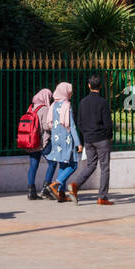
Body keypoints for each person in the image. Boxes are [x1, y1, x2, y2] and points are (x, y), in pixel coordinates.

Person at [68, 73, 114, 205]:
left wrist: (86, 135)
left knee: (91, 165)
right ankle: (102, 197)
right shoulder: (103, 102)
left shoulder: (82, 102)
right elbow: (108, 123)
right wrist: (109, 136)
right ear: (100, 86)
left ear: (89, 86)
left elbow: (80, 122)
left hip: (88, 139)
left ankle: (76, 185)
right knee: (104, 168)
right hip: (101, 139)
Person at [45, 82, 81, 203]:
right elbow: (71, 125)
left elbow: (49, 123)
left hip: (56, 140)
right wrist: (78, 143)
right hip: (66, 139)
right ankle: (55, 184)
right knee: (73, 165)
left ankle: (60, 194)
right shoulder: (66, 105)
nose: (70, 94)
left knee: (63, 165)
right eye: (69, 92)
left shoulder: (53, 105)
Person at [24, 87, 56, 200]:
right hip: (42, 142)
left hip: (31, 142)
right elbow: (46, 126)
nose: (50, 99)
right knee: (52, 163)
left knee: (33, 166)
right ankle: (46, 188)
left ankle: (31, 191)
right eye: (50, 97)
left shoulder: (31, 108)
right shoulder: (44, 109)